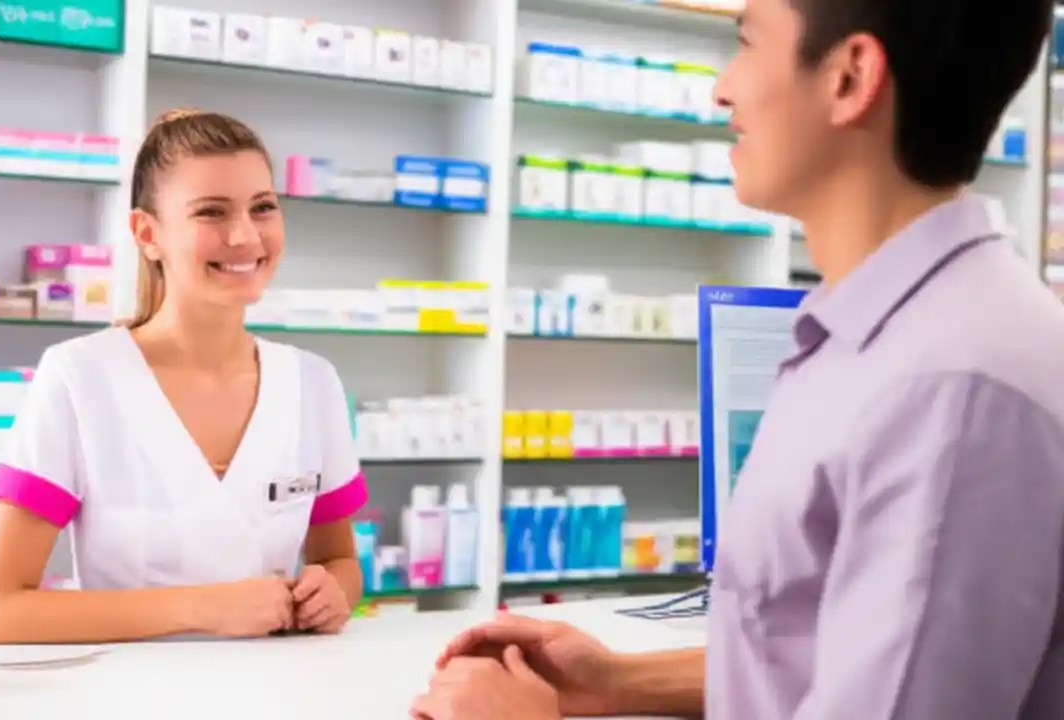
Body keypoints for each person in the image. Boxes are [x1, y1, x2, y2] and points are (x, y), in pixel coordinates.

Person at [415, 0, 1064, 718]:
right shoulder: (871, 330)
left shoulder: (952, 391)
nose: (722, 89)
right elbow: (829, 645)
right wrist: (619, 681)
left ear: (850, 78)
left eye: (748, 44)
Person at [0, 109, 368, 645]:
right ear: (147, 233)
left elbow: (340, 561)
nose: (246, 235)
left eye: (263, 207)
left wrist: (333, 591)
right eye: (211, 212)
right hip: (128, 687)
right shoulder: (81, 377)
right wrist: (200, 608)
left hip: (279, 682)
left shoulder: (312, 383)